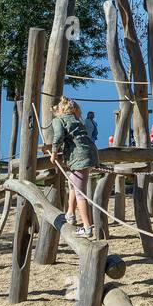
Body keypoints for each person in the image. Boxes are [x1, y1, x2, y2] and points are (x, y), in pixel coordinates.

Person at [47, 96, 100, 235]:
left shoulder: (58, 120)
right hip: (90, 153)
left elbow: (58, 136)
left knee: (80, 193)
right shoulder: (76, 120)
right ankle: (70, 213)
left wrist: (53, 153)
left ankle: (87, 227)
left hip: (79, 158)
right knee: (72, 183)